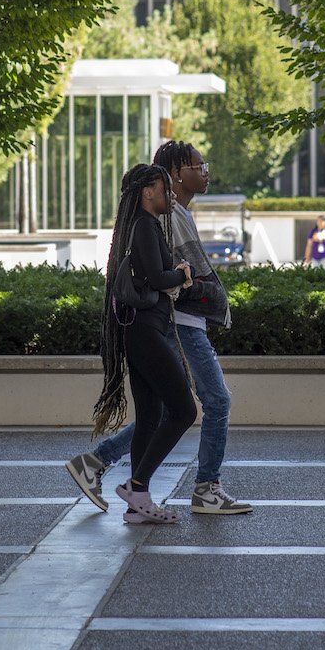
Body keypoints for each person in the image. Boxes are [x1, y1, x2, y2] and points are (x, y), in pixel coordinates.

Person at [65, 142, 253, 516]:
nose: (205, 172)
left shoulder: (172, 215)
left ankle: (105, 469)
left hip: (172, 322)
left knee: (165, 411)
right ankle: (205, 488)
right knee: (213, 401)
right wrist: (193, 284)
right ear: (176, 172)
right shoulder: (164, 219)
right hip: (179, 323)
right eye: (199, 166)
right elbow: (171, 275)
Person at [84, 163, 198, 524]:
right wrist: (180, 273)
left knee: (150, 417)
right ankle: (137, 485)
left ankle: (138, 505)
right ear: (148, 192)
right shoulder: (145, 226)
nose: (170, 194)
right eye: (164, 188)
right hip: (146, 333)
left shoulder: (137, 226)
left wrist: (172, 274)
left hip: (138, 332)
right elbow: (155, 277)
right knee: (184, 411)